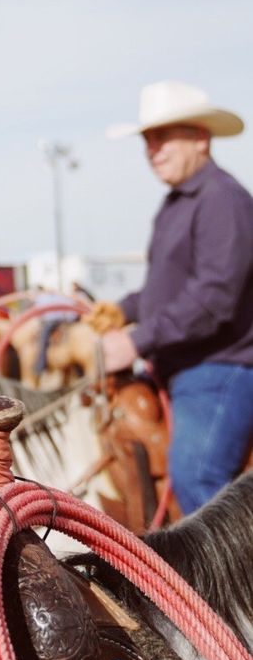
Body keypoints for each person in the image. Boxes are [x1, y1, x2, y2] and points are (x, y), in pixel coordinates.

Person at [101, 80, 253, 514]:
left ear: (200, 138)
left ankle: (228, 580)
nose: (153, 148)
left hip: (219, 370)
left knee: (196, 477)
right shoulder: (178, 203)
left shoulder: (223, 200)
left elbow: (213, 299)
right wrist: (122, 310)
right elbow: (166, 289)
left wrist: (135, 340)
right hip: (180, 365)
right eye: (148, 139)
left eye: (164, 136)